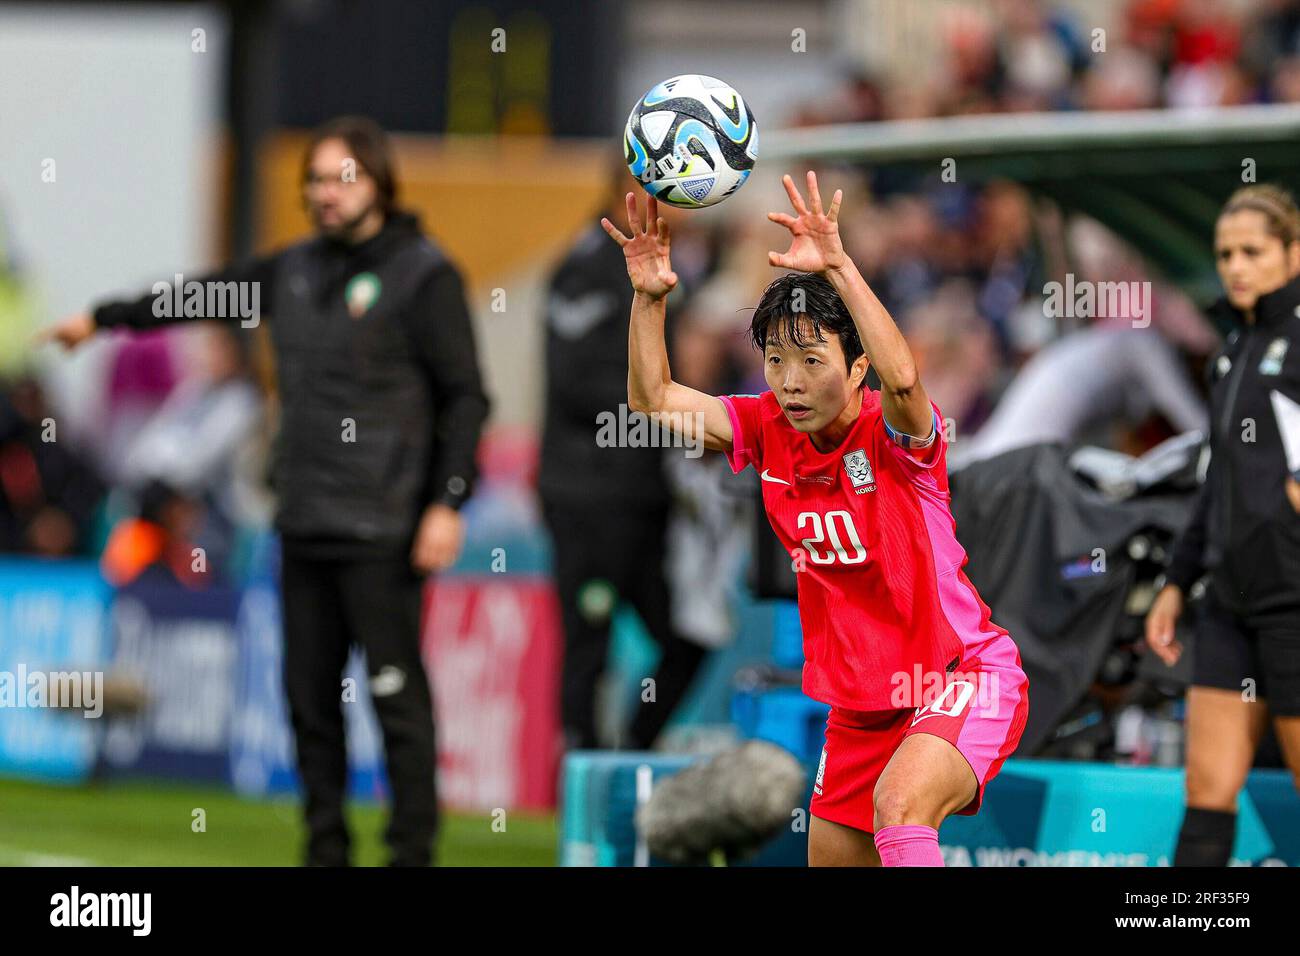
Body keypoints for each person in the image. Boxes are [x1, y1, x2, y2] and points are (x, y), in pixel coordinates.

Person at [39, 115, 490, 866]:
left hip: (385, 527)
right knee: (309, 705)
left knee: (394, 699)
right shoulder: (294, 271)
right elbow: (199, 296)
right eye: (314, 180)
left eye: (340, 179)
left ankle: (411, 852)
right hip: (304, 520)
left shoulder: (425, 275)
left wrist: (447, 502)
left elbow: (467, 399)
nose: (323, 194)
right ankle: (325, 849)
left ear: (379, 183)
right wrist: (105, 319)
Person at [603, 172, 1029, 867]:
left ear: (856, 366)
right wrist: (649, 300)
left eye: (811, 360)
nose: (791, 380)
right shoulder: (767, 426)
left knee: (901, 808)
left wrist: (839, 263)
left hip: (959, 676)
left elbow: (906, 381)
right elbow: (653, 401)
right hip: (859, 708)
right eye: (775, 360)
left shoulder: (895, 435)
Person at [1145, 184, 1300, 867]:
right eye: (1225, 254)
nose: (1236, 266)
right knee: (1207, 790)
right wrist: (1178, 581)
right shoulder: (1231, 352)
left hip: (1294, 603)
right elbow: (1218, 478)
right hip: (1227, 605)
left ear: (1294, 254)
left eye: (1253, 252)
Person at [539, 165, 709, 751]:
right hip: (589, 495)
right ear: (628, 195)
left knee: (688, 633)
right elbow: (574, 382)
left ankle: (633, 752)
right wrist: (664, 412)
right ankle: (583, 788)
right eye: (671, 193)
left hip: (645, 497)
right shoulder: (585, 269)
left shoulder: (666, 265)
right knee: (589, 642)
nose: (684, 206)